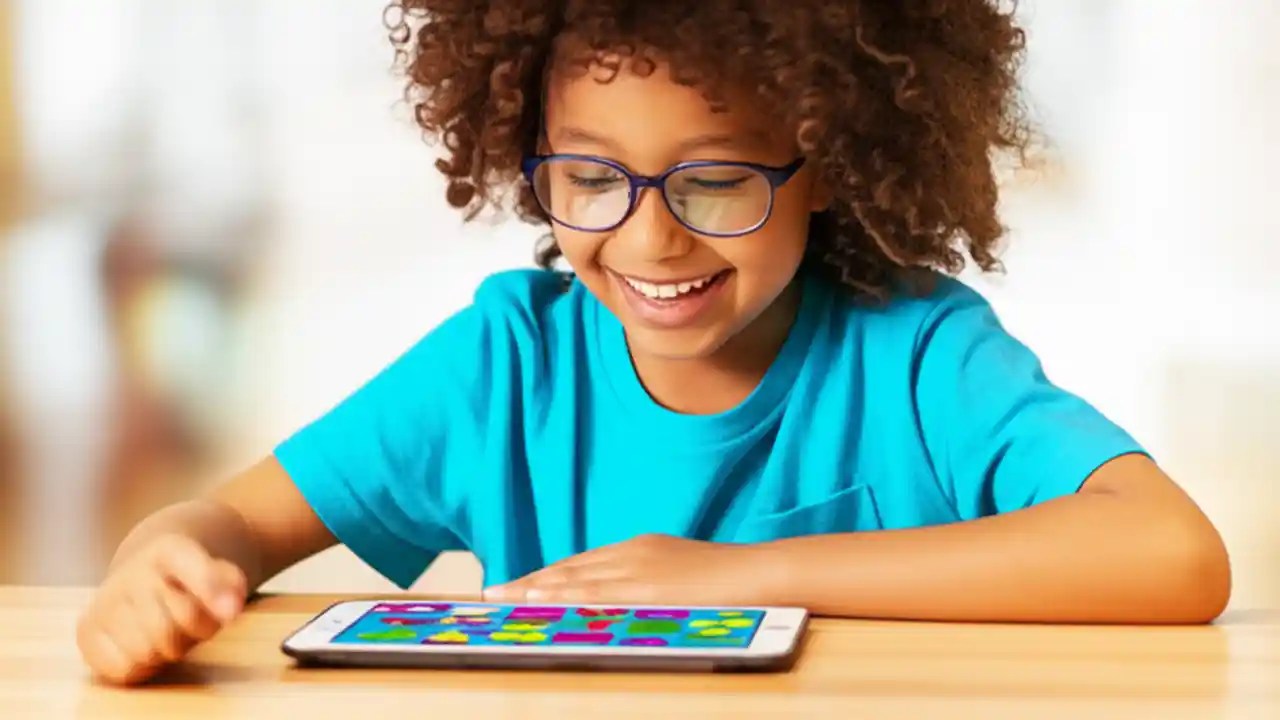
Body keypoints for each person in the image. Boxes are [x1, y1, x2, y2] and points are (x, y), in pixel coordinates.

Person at [76, 0, 1231, 685]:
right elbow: (226, 524)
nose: (648, 237)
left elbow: (1170, 554)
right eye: (589, 178)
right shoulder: (504, 369)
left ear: (828, 162)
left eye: (715, 180)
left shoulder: (919, 356)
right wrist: (158, 566)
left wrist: (736, 579)